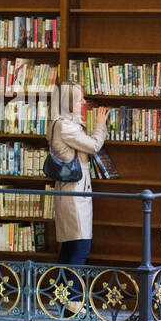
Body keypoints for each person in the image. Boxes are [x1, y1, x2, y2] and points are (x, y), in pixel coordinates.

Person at [47, 79, 107, 266]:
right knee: (81, 247)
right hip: (74, 191)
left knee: (70, 246)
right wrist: (100, 124)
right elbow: (93, 145)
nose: (83, 103)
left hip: (69, 189)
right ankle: (71, 295)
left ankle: (62, 292)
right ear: (67, 103)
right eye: (79, 100)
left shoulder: (58, 123)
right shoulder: (66, 127)